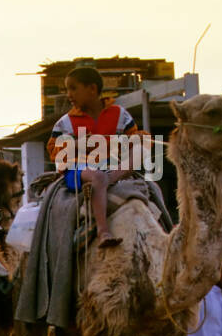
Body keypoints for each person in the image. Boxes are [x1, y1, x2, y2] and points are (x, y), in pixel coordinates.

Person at [47, 66, 147, 249]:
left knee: (141, 150)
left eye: (73, 88)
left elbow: (134, 136)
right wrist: (79, 144)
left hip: (112, 167)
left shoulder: (119, 114)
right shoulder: (65, 122)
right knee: (97, 176)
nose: (69, 94)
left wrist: (138, 137)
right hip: (80, 170)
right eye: (67, 89)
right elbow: (55, 152)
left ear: (92, 89)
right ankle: (103, 231)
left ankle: (108, 180)